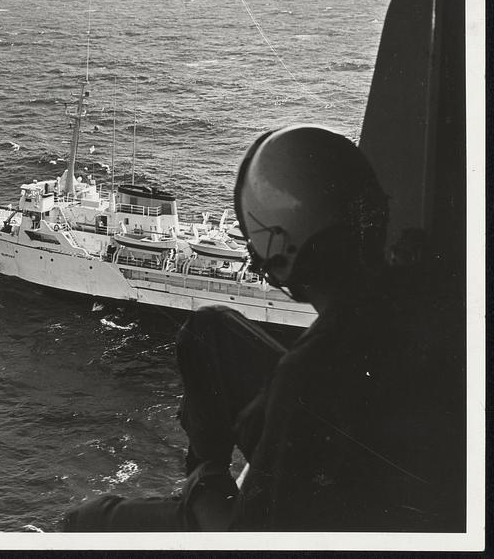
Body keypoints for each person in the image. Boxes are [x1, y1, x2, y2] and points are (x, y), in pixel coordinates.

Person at [62, 125, 465, 532]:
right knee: (210, 325)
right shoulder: (424, 279)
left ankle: (197, 485)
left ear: (279, 247)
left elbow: (256, 534)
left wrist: (206, 491)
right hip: (403, 461)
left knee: (84, 521)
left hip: (346, 505)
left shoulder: (307, 371)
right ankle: (206, 465)